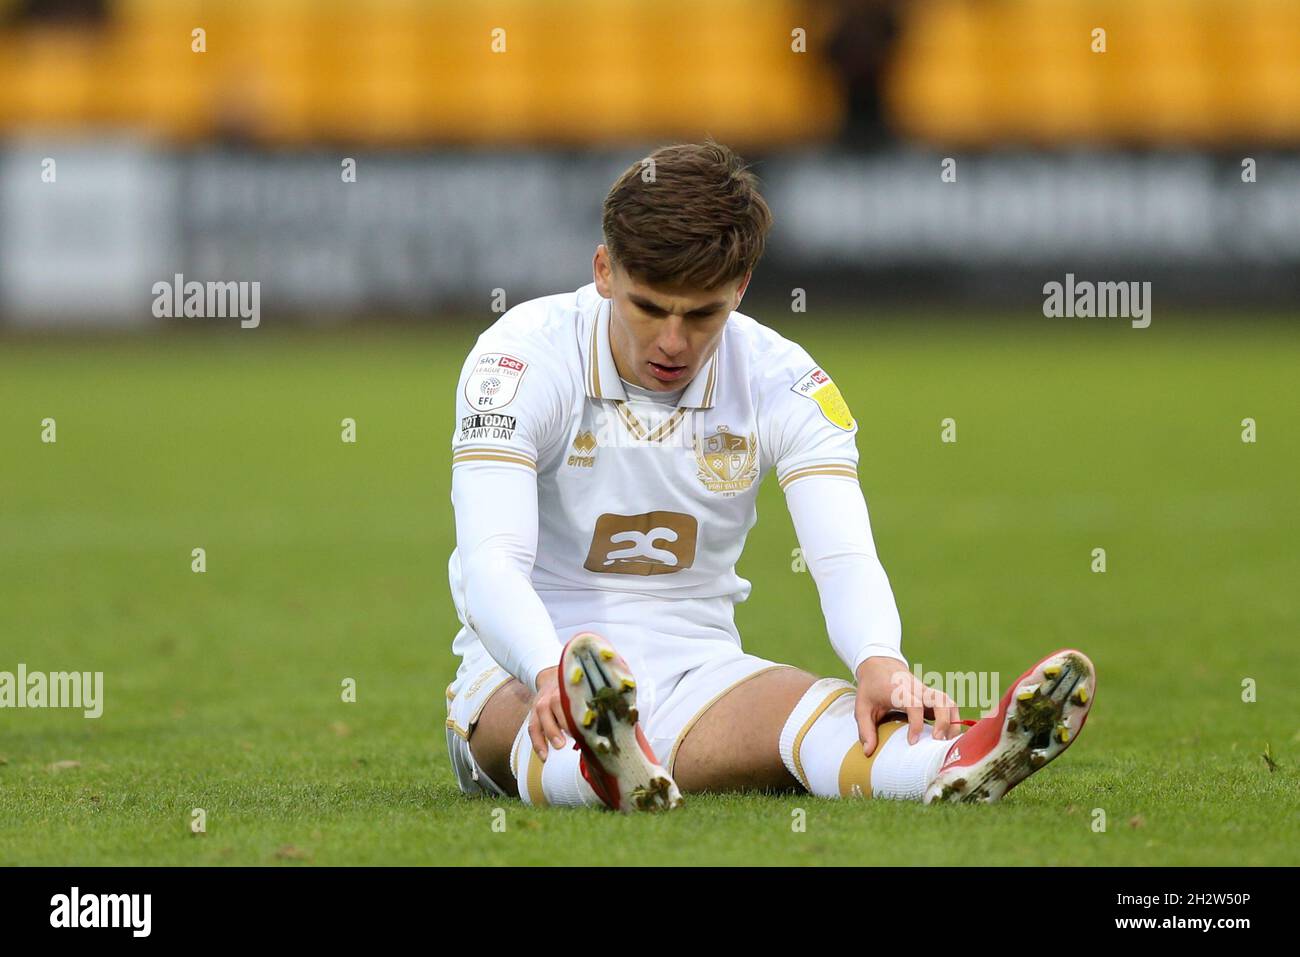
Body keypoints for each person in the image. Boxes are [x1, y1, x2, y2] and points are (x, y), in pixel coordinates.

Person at [444, 141, 1094, 811]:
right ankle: (593, 760)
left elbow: (842, 554)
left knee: (829, 715)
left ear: (741, 289)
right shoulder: (520, 359)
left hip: (698, 665)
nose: (673, 341)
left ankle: (954, 760)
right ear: (605, 270)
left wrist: (880, 660)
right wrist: (548, 667)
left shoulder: (783, 380)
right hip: (519, 665)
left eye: (702, 315)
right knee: (535, 720)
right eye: (650, 308)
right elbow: (495, 560)